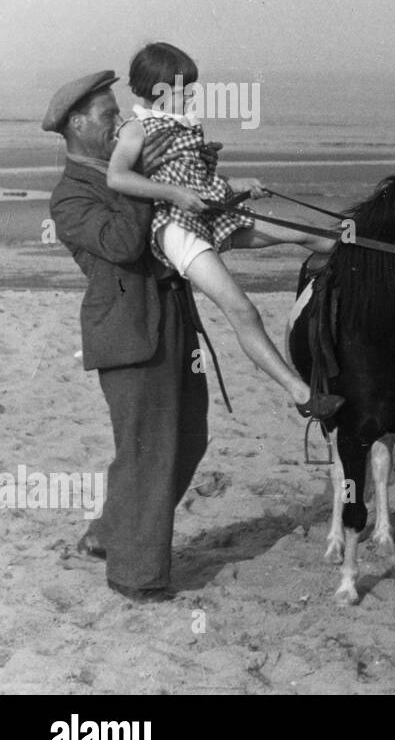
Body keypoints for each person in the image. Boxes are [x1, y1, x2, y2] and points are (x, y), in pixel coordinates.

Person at [106, 42, 342, 418]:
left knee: (306, 233)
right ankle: (301, 394)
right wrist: (173, 194)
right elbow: (117, 177)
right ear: (158, 90)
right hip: (176, 228)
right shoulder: (137, 128)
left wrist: (239, 183)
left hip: (210, 212)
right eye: (185, 88)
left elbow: (196, 178)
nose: (192, 94)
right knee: (242, 309)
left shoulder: (184, 125)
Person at [46, 70, 212, 602]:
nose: (120, 121)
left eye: (119, 112)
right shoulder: (69, 196)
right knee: (146, 451)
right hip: (127, 331)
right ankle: (136, 577)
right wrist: (140, 178)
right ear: (77, 124)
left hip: (172, 320)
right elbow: (120, 243)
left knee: (187, 438)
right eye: (107, 115)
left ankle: (109, 534)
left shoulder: (122, 169)